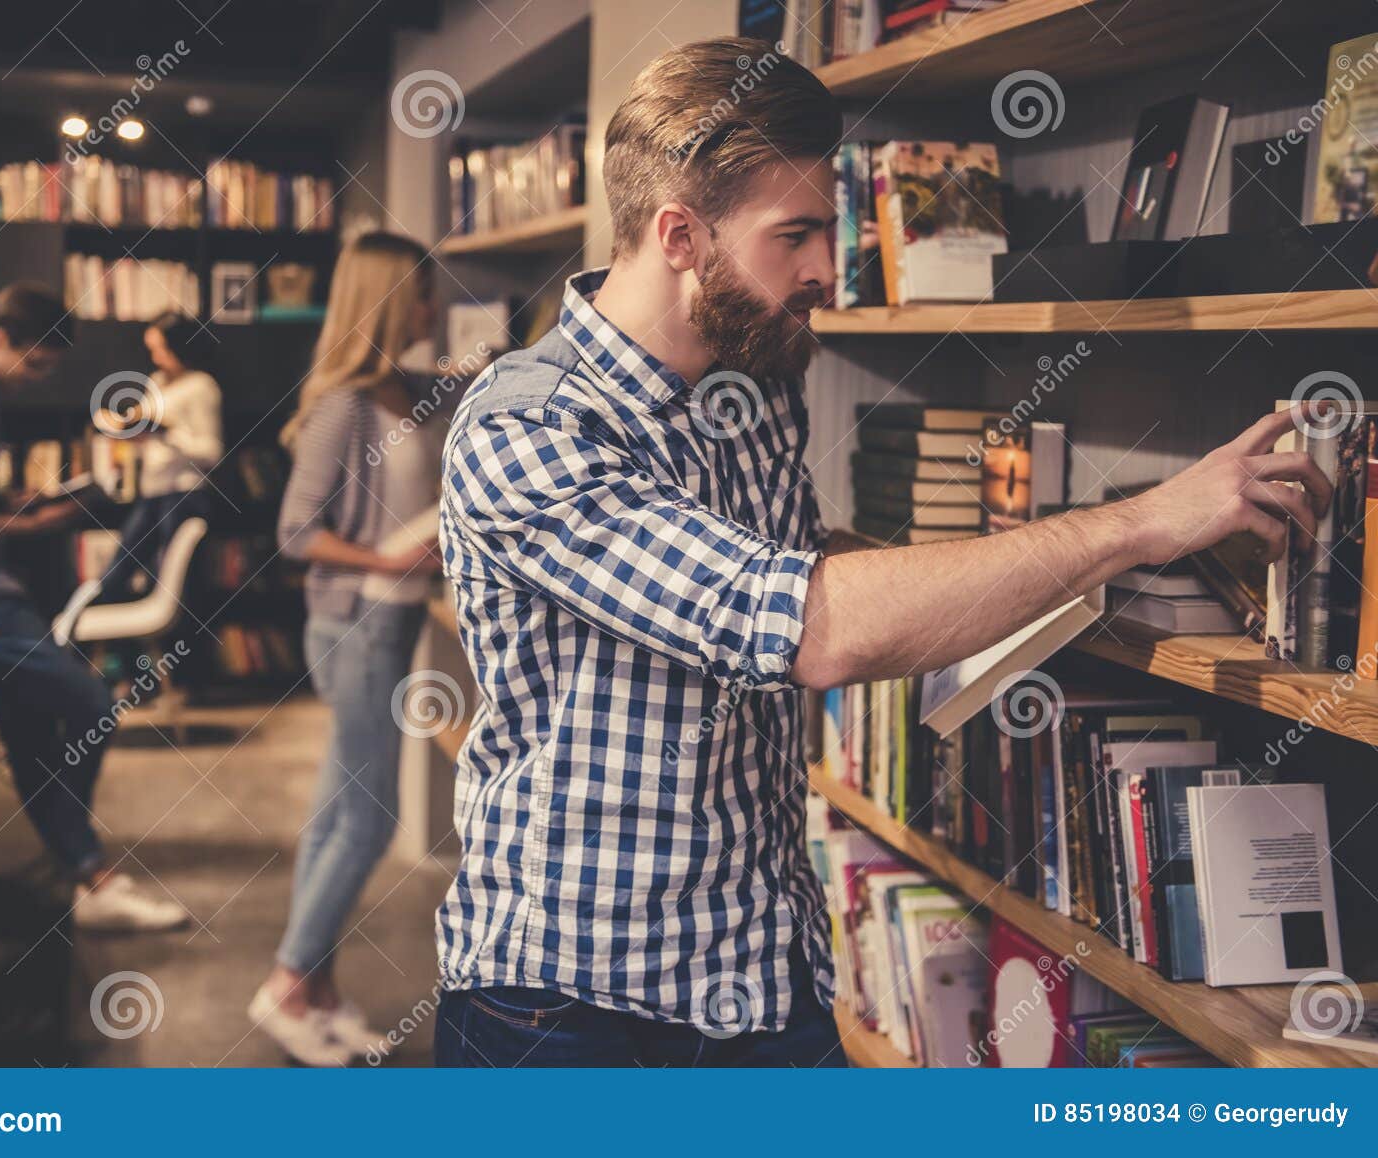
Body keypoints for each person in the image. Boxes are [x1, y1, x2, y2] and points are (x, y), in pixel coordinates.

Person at [431, 39, 1331, 1067]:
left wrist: (1039, 570)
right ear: (680, 235)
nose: (826, 267)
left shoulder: (753, 380)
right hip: (574, 1009)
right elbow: (808, 623)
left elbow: (806, 557)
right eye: (796, 235)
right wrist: (1139, 519)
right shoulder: (529, 429)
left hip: (764, 966)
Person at [0, 283, 189, 933]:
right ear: (1, 340)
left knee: (33, 738)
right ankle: (86, 867)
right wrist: (23, 526)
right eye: (38, 364)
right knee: (89, 705)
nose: (38, 378)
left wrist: (15, 500)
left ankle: (87, 874)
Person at [250, 232, 444, 1066]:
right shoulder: (344, 406)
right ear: (397, 297)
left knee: (335, 814)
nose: (437, 308)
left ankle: (319, 993)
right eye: (426, 292)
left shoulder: (409, 391)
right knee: (371, 819)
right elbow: (295, 531)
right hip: (357, 622)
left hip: (393, 620)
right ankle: (289, 984)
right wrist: (390, 557)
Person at [94, 311, 222, 604]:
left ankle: (177, 646)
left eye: (160, 349)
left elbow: (212, 452)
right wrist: (132, 433)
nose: (155, 357)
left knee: (174, 583)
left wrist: (168, 433)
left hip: (184, 492)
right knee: (120, 570)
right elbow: (148, 435)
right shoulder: (155, 383)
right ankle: (105, 629)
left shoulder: (201, 386)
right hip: (153, 490)